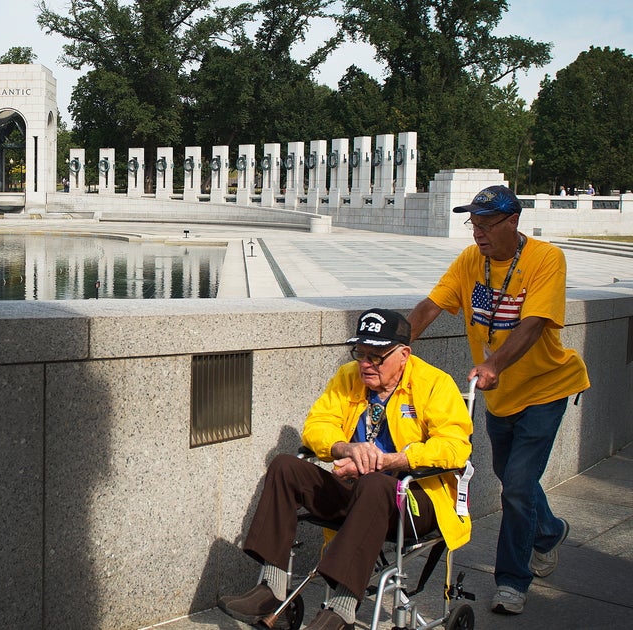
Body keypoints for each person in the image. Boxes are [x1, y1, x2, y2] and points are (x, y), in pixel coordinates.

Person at [219, 309, 472, 630]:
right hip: (356, 490)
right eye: (361, 353)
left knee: (376, 483)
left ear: (404, 354)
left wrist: (393, 459)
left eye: (377, 356)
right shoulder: (348, 376)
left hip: (413, 501)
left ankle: (341, 610)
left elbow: (455, 447)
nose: (365, 363)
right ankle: (272, 588)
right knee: (286, 467)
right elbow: (316, 427)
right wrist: (345, 448)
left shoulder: (435, 384)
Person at [407, 185, 590, 616]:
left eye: (487, 225)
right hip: (499, 397)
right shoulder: (471, 262)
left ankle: (512, 582)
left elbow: (533, 325)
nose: (478, 235)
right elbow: (431, 305)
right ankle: (548, 531)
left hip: (547, 387)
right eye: (474, 224)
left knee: (519, 486)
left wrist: (494, 365)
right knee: (510, 479)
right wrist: (394, 345)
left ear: (513, 222)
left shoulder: (546, 259)